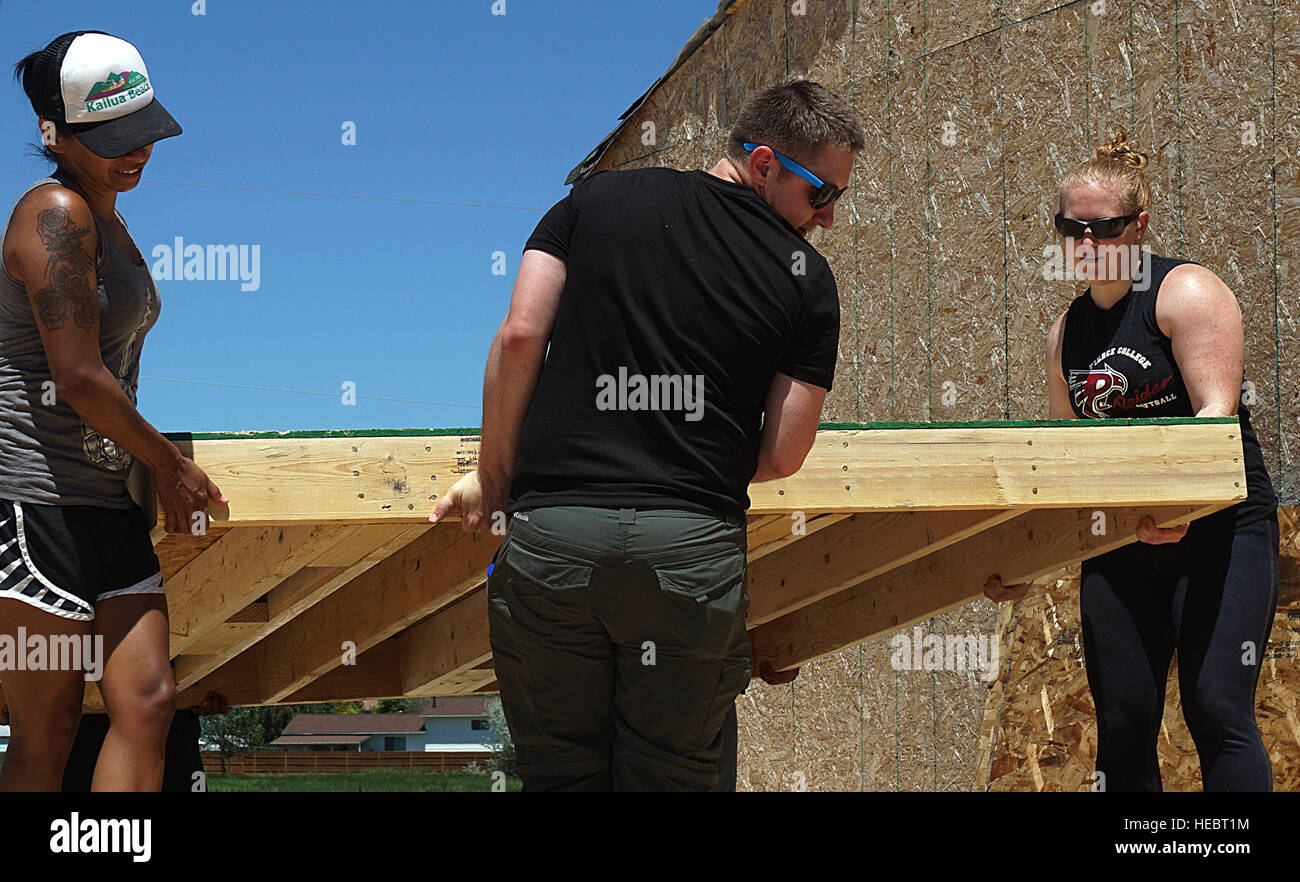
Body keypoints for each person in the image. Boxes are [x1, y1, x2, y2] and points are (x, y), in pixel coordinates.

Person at [432, 79, 864, 791]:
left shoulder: (594, 201)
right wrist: (693, 461)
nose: (825, 219)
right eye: (821, 195)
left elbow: (518, 337)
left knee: (558, 773)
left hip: (554, 540)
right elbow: (785, 453)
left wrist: (493, 475)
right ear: (762, 165)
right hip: (688, 553)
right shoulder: (807, 281)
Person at [984, 130, 1279, 791]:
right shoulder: (1065, 335)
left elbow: (1214, 421)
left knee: (1217, 708)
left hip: (1219, 531)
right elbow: (1067, 468)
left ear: (1139, 225)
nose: (1085, 246)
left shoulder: (1187, 293)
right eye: (1070, 229)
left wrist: (1181, 510)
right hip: (1120, 544)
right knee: (1122, 722)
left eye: (1104, 229)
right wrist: (1022, 564)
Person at [0, 31, 226, 791]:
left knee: (150, 701)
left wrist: (151, 468)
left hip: (105, 502)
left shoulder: (113, 220)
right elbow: (79, 377)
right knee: (47, 729)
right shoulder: (52, 213)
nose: (136, 155)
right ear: (51, 134)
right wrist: (171, 466)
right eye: (111, 142)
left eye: (142, 135)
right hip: (33, 508)